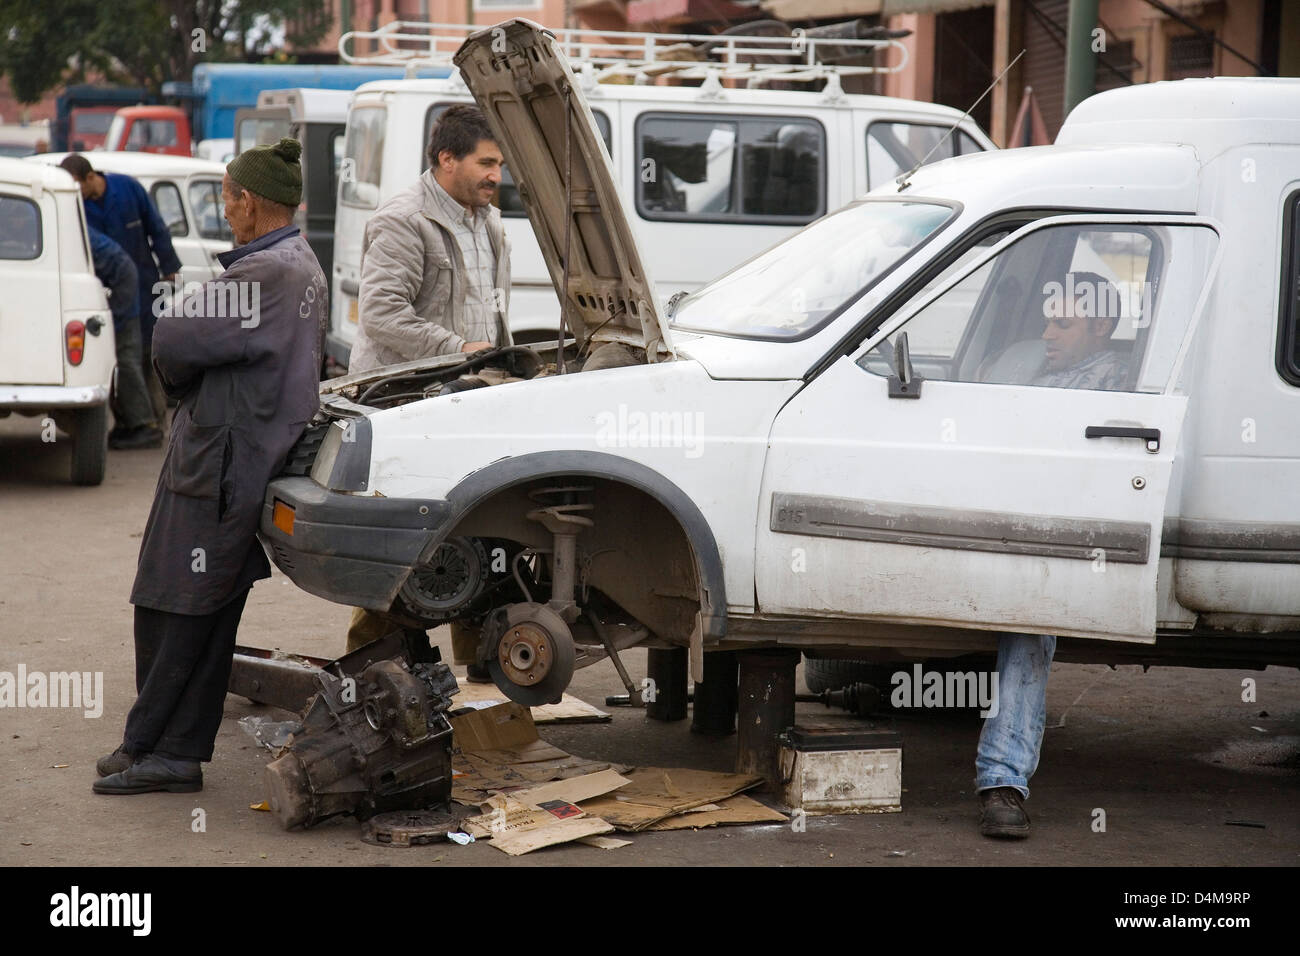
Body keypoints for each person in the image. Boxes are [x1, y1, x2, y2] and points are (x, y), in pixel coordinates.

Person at [93, 138, 326, 794]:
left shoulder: (267, 272)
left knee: (178, 602)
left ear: (249, 202)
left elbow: (172, 336)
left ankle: (160, 750)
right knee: (196, 602)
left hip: (220, 466)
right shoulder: (294, 261)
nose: (226, 212)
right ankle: (158, 747)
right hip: (227, 462)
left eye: (227, 200)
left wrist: (186, 381)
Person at [344, 105, 512, 676]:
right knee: (406, 557)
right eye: (486, 162)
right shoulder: (403, 220)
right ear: (447, 159)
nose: (497, 175)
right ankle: (370, 685)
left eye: (500, 164)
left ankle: (483, 696)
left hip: (470, 405)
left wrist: (502, 363)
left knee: (485, 545)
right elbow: (382, 316)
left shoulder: (487, 222)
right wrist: (459, 350)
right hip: (407, 409)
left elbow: (490, 314)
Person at [977, 271, 1127, 838]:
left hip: (1054, 533)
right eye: (1046, 318)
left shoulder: (1111, 381)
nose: (1046, 332)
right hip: (997, 511)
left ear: (1102, 326)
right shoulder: (1036, 366)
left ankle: (1003, 778)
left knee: (1029, 617)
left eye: (1062, 322)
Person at [59, 153, 182, 447]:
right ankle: (135, 421)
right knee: (120, 356)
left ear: (90, 178)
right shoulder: (79, 207)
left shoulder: (127, 188)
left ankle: (152, 422)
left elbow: (156, 226)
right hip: (112, 292)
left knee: (147, 354)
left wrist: (170, 268)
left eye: (77, 185)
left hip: (146, 285)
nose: (76, 192)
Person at [86, 227, 155, 441]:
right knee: (117, 360)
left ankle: (143, 426)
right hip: (120, 281)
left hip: (123, 285)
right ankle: (128, 423)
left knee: (125, 359)